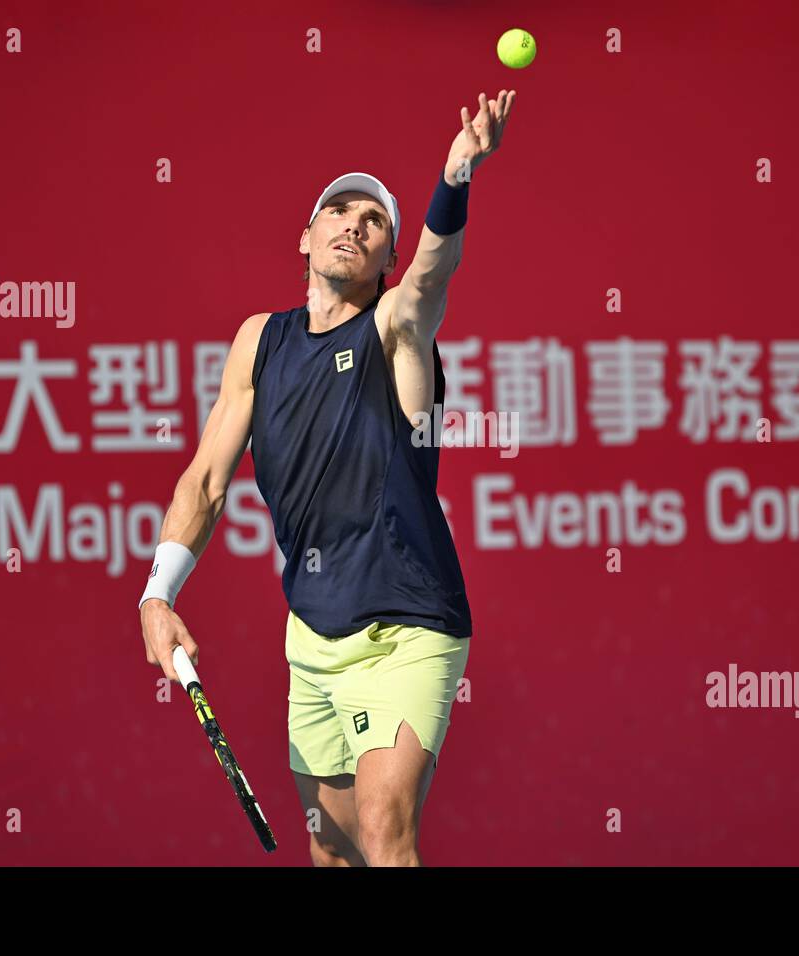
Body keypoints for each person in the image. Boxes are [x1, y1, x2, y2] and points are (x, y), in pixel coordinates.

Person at [138, 90, 516, 866]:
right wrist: (157, 593)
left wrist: (456, 176)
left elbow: (430, 281)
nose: (354, 224)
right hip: (313, 633)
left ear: (384, 259)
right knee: (336, 853)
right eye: (339, 212)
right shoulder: (260, 341)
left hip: (408, 623)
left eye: (374, 221)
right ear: (305, 237)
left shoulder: (396, 331)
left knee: (385, 828)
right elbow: (206, 482)